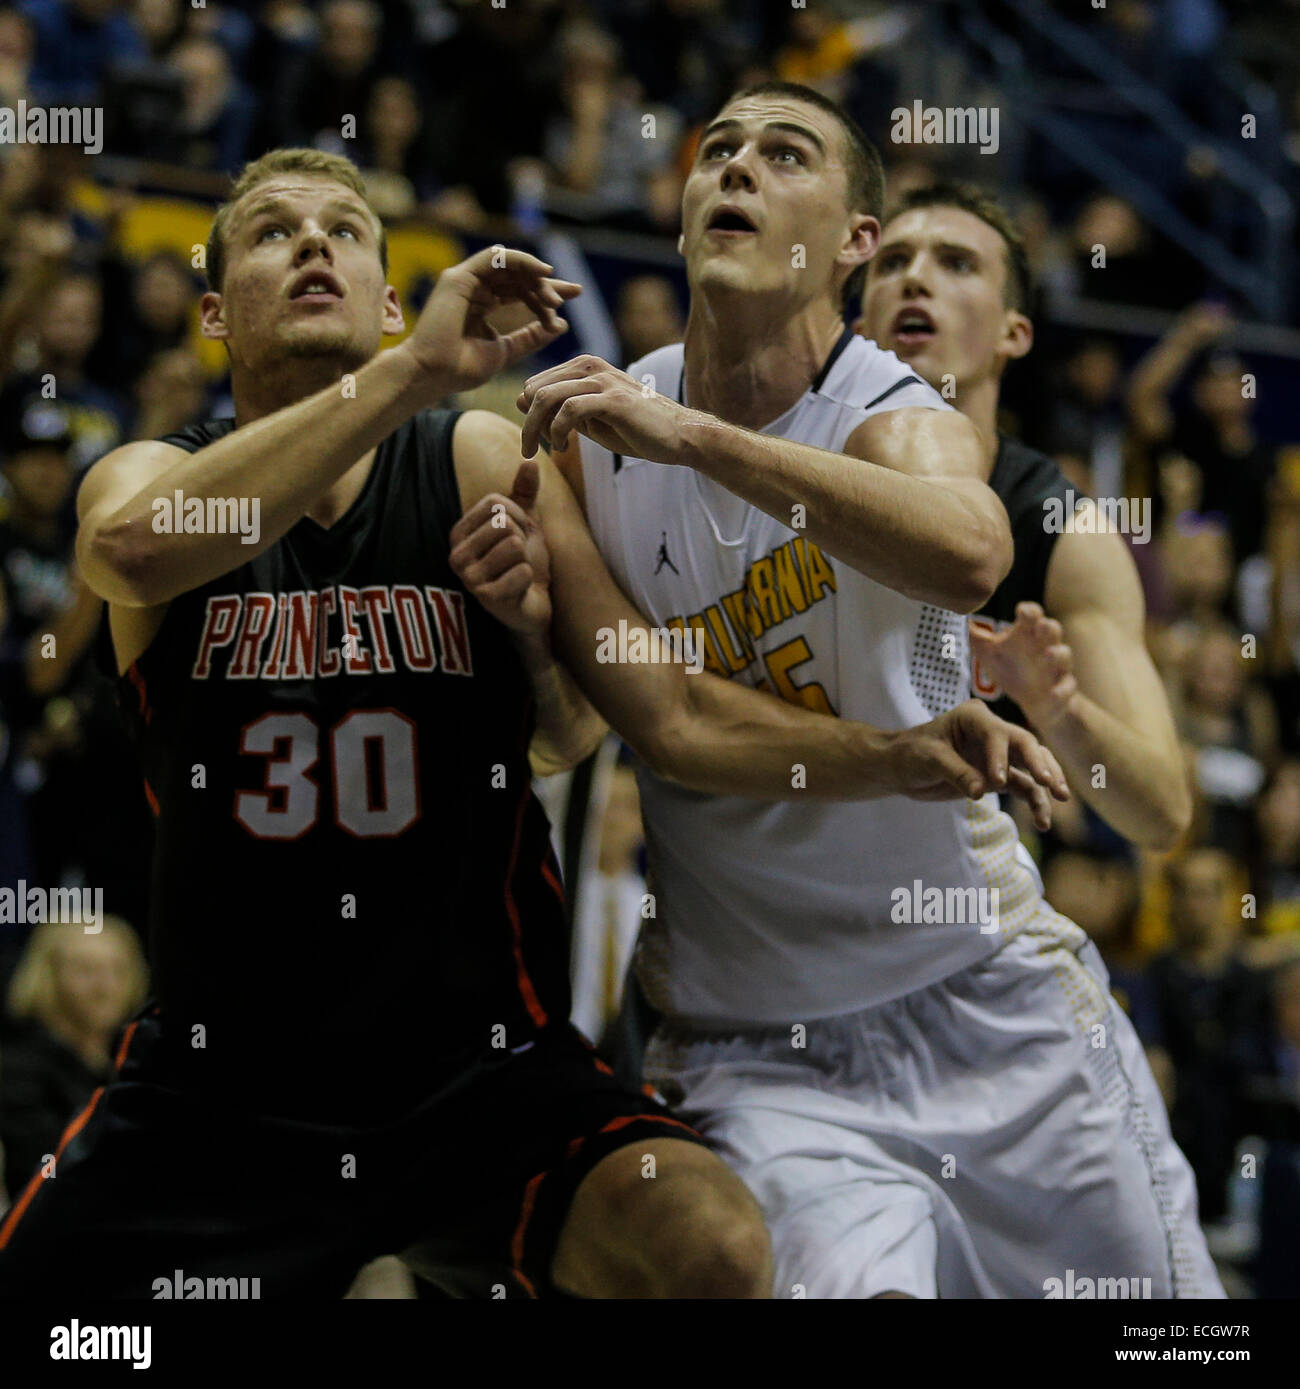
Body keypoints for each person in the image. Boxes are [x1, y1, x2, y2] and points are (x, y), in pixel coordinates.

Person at [0, 147, 1058, 1300]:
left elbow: (576, 732)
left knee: (708, 1247)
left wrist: (522, 628)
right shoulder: (153, 473)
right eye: (271, 233)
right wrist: (412, 371)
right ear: (213, 313)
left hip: (480, 1078)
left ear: (389, 295)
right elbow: (130, 553)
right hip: (225, 1091)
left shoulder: (473, 459)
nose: (313, 246)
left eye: (346, 231)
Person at [505, 80, 1222, 1297]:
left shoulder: (898, 423)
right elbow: (617, 727)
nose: (734, 167)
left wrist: (693, 439)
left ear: (850, 243)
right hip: (760, 1047)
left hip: (985, 1000)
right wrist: (530, 623)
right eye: (716, 148)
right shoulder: (592, 433)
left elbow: (970, 549)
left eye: (781, 154)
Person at [859, 182, 1192, 850]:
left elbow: (1161, 813)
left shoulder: (1063, 532)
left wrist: (1058, 708)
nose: (916, 278)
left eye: (956, 263)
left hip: (945, 891)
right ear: (859, 320)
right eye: (892, 262)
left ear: (1015, 332)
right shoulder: (791, 469)